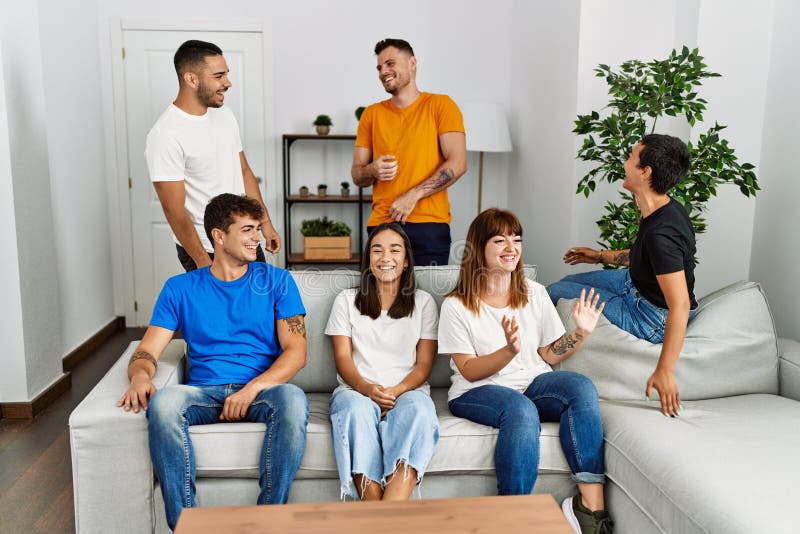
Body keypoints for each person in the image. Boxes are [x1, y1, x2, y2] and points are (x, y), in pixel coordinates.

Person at [117, 194, 308, 530]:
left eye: (258, 228)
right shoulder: (180, 288)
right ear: (219, 236)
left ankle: (267, 522)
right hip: (204, 392)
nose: (257, 237)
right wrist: (140, 378)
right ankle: (187, 526)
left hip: (261, 391)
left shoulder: (278, 281)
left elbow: (297, 352)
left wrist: (251, 389)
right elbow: (146, 352)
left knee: (293, 399)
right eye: (248, 230)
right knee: (163, 404)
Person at [438, 208, 613, 534]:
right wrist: (508, 351)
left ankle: (591, 510)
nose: (511, 248)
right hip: (476, 391)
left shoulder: (534, 292)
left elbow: (547, 353)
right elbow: (469, 370)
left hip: (531, 383)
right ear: (478, 247)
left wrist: (580, 333)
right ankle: (512, 517)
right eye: (500, 240)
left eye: (516, 240)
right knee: (520, 409)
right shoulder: (456, 305)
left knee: (580, 386)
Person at [547, 134, 696, 417]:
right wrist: (599, 256)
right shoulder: (663, 208)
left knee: (553, 293)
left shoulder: (662, 234)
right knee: (562, 285)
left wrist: (665, 371)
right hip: (634, 284)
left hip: (649, 316)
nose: (625, 163)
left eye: (631, 157)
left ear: (645, 172)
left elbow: (680, 304)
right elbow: (645, 257)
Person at [325, 222, 439, 500]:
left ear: (406, 260)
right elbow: (342, 357)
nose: (385, 257)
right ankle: (378, 511)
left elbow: (424, 365)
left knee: (420, 411)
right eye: (377, 250)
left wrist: (395, 392)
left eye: (395, 250)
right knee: (355, 411)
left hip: (408, 391)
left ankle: (387, 512)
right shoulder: (346, 300)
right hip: (356, 391)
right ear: (368, 260)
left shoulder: (424, 302)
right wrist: (367, 389)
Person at [145, 39, 280, 272]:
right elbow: (174, 210)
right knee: (219, 299)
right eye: (219, 76)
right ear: (191, 79)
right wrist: (202, 261)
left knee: (259, 295)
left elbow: (244, 171)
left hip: (245, 236)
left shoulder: (225, 116)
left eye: (226, 74)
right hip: (207, 247)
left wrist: (264, 223)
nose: (228, 83)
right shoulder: (165, 135)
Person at [351, 38, 467, 266]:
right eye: (379, 67)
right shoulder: (371, 115)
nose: (383, 72)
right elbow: (357, 174)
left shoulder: (441, 105)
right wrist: (372, 170)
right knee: (379, 290)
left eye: (390, 63)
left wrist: (412, 196)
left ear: (412, 63)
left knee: (428, 290)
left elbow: (458, 163)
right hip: (382, 226)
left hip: (429, 226)